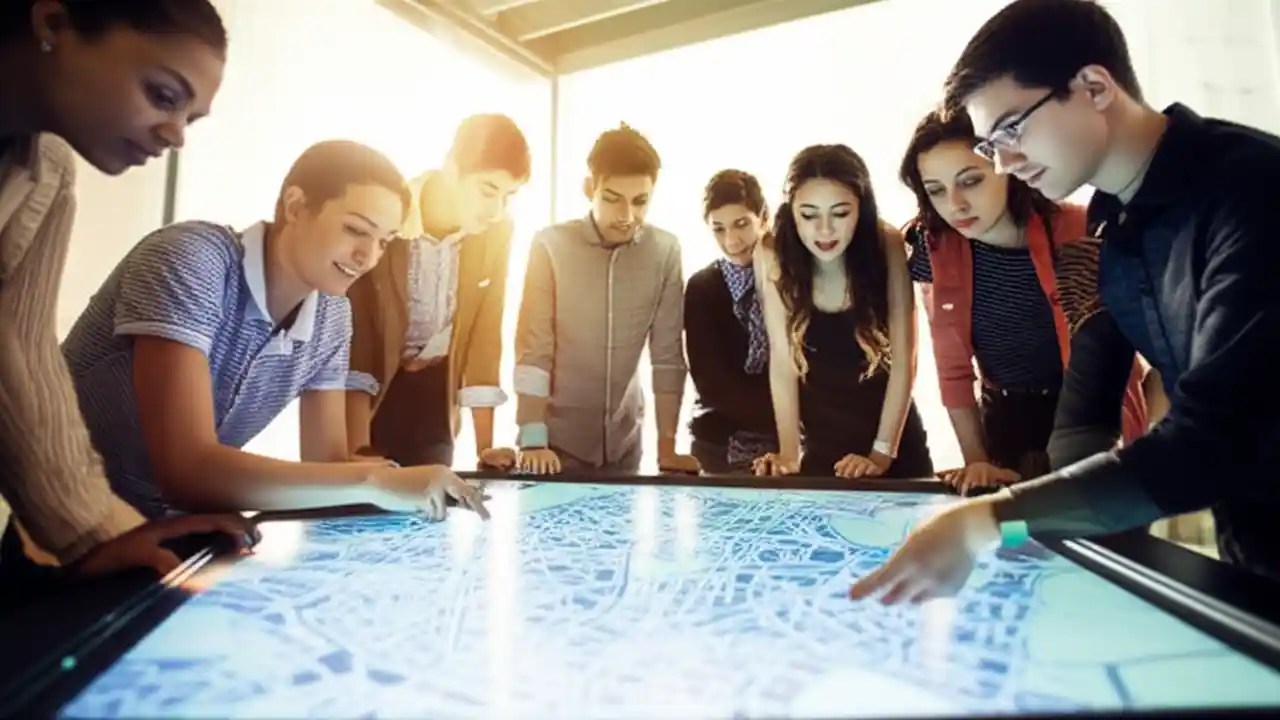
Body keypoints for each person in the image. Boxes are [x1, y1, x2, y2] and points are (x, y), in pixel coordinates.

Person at [851, 0, 1280, 603]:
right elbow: (1087, 407)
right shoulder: (1113, 226)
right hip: (1256, 552)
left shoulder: (1253, 191)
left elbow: (1215, 439)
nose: (1003, 161)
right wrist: (1041, 520)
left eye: (1009, 130)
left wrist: (984, 523)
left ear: (1094, 86)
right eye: (989, 145)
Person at [61, 140, 488, 523]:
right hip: (67, 526)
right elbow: (186, 469)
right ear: (296, 206)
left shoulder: (332, 315)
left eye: (384, 240)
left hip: (183, 530)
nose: (368, 257)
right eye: (356, 230)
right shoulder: (192, 259)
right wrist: (373, 480)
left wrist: (403, 480)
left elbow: (327, 462)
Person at [0, 0, 254, 580]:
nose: (175, 136)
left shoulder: (49, 174)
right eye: (164, 96)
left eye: (191, 119)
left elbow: (21, 355)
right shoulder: (189, 256)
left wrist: (91, 533)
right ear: (54, 24)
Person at [899, 109, 1146, 493]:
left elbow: (1134, 355)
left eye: (971, 181)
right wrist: (976, 460)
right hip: (1005, 418)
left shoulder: (1081, 230)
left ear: (1008, 165)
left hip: (1087, 412)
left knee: (1089, 538)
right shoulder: (934, 250)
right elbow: (953, 370)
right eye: (936, 190)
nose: (955, 204)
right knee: (1013, 543)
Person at [345, 114, 530, 471]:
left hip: (436, 394)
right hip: (366, 391)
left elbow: (484, 334)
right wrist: (356, 449)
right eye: (488, 190)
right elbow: (358, 337)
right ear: (451, 169)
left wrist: (485, 448)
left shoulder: (497, 231)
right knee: (360, 509)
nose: (495, 210)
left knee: (430, 510)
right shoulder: (390, 212)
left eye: (509, 196)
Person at [513, 123, 698, 475]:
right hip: (554, 445)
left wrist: (668, 448)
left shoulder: (665, 250)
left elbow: (667, 356)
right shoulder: (549, 245)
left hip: (627, 446)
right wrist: (533, 438)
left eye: (640, 202)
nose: (627, 216)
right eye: (613, 198)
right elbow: (533, 350)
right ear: (589, 188)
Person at [753, 144, 933, 479]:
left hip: (892, 438)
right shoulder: (771, 251)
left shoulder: (886, 242)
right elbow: (782, 361)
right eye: (809, 215)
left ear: (861, 210)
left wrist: (880, 455)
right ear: (791, 211)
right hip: (823, 442)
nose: (824, 231)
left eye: (840, 213)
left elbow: (906, 360)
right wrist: (789, 452)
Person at [684, 170, 778, 474]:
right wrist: (785, 410)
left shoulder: (793, 277)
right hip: (718, 442)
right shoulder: (702, 287)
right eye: (719, 229)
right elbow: (711, 382)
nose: (732, 240)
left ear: (763, 218)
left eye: (741, 224)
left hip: (792, 441)